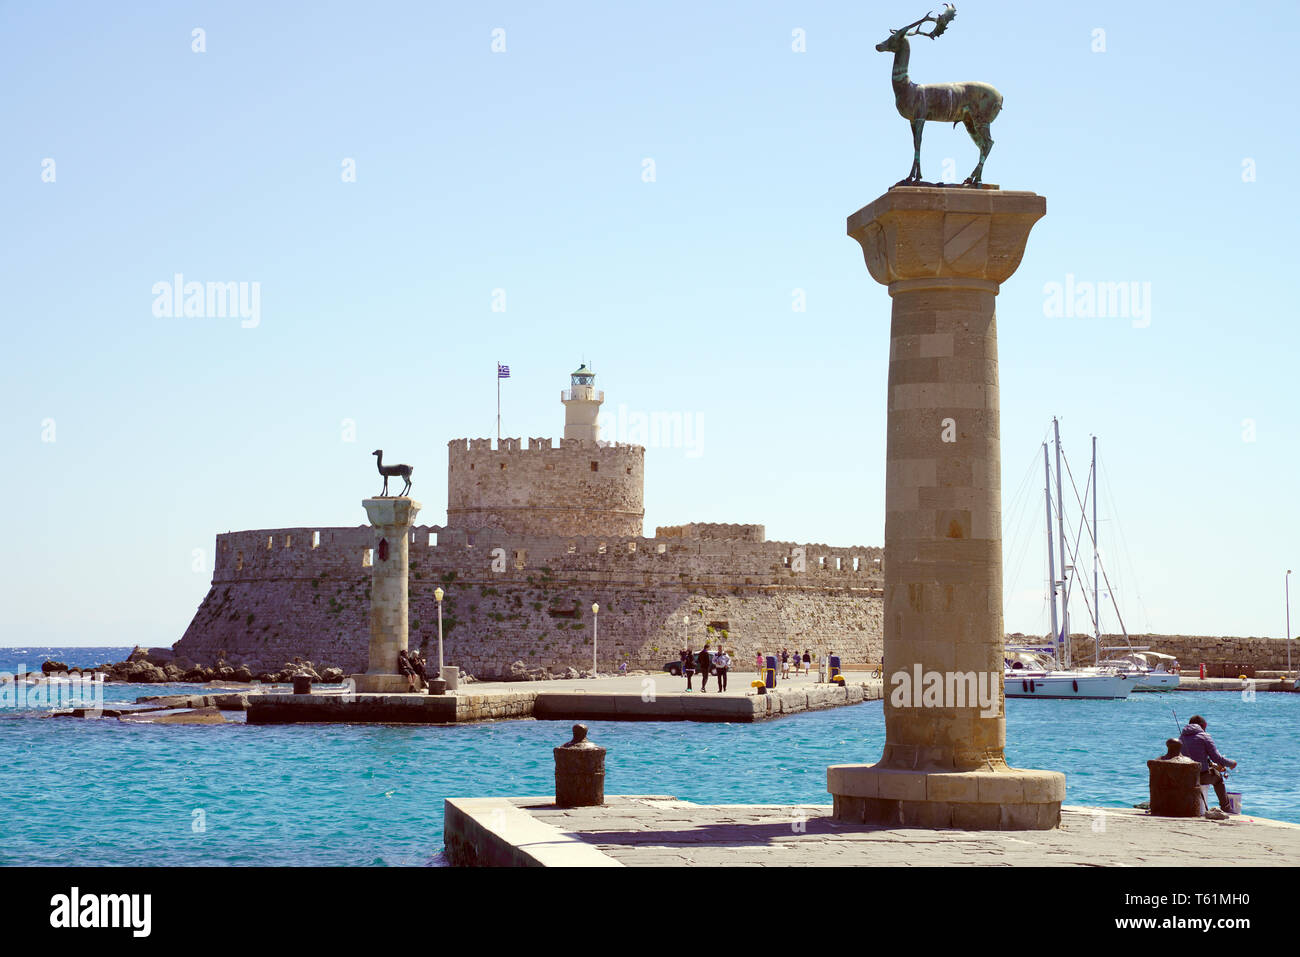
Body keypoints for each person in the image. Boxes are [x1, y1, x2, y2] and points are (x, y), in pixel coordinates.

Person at [1179, 715, 1238, 812]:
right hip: (1200, 776)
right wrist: (1232, 764)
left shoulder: (1181, 737)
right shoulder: (1205, 736)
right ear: (1204, 725)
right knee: (1218, 778)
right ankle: (1226, 808)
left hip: (1184, 776)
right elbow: (1217, 758)